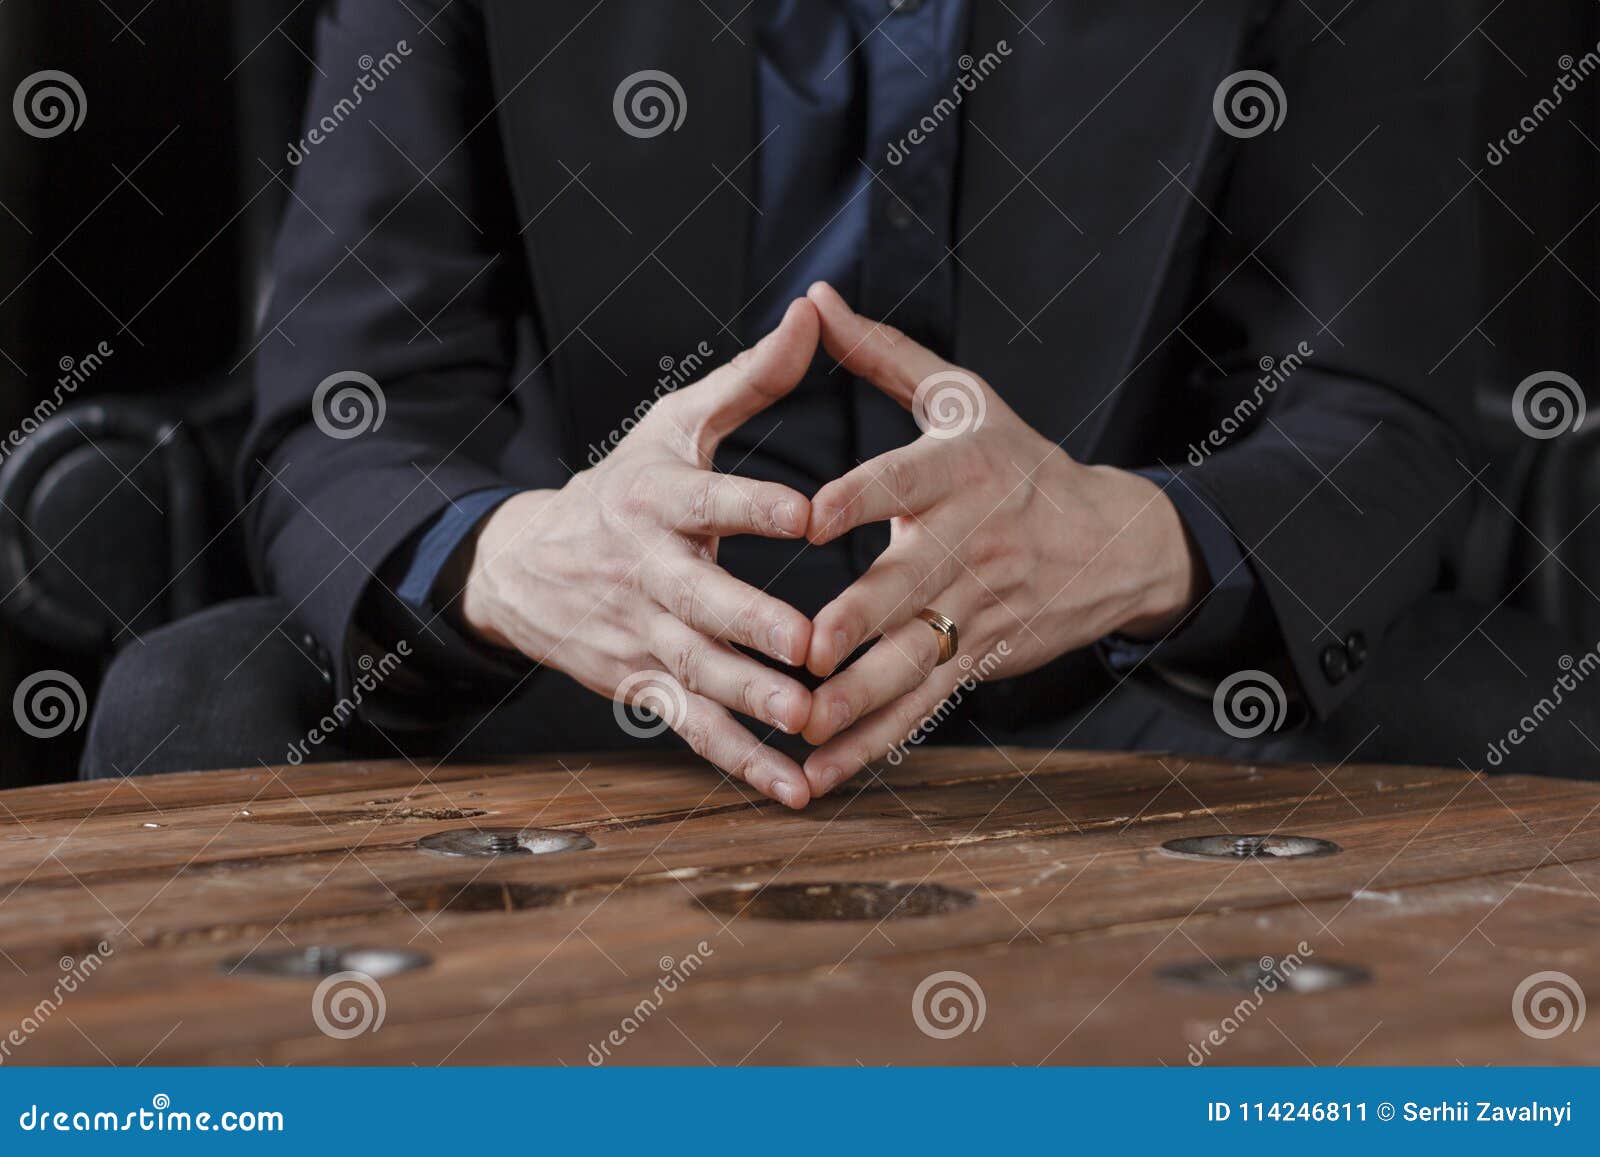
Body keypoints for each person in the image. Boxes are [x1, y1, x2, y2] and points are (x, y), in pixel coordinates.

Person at [83, 0, 1600, 798]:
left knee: (1552, 726)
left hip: (1122, 690)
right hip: (613, 681)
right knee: (195, 703)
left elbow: (1381, 407)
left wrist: (1132, 538)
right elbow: (349, 397)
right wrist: (520, 562)